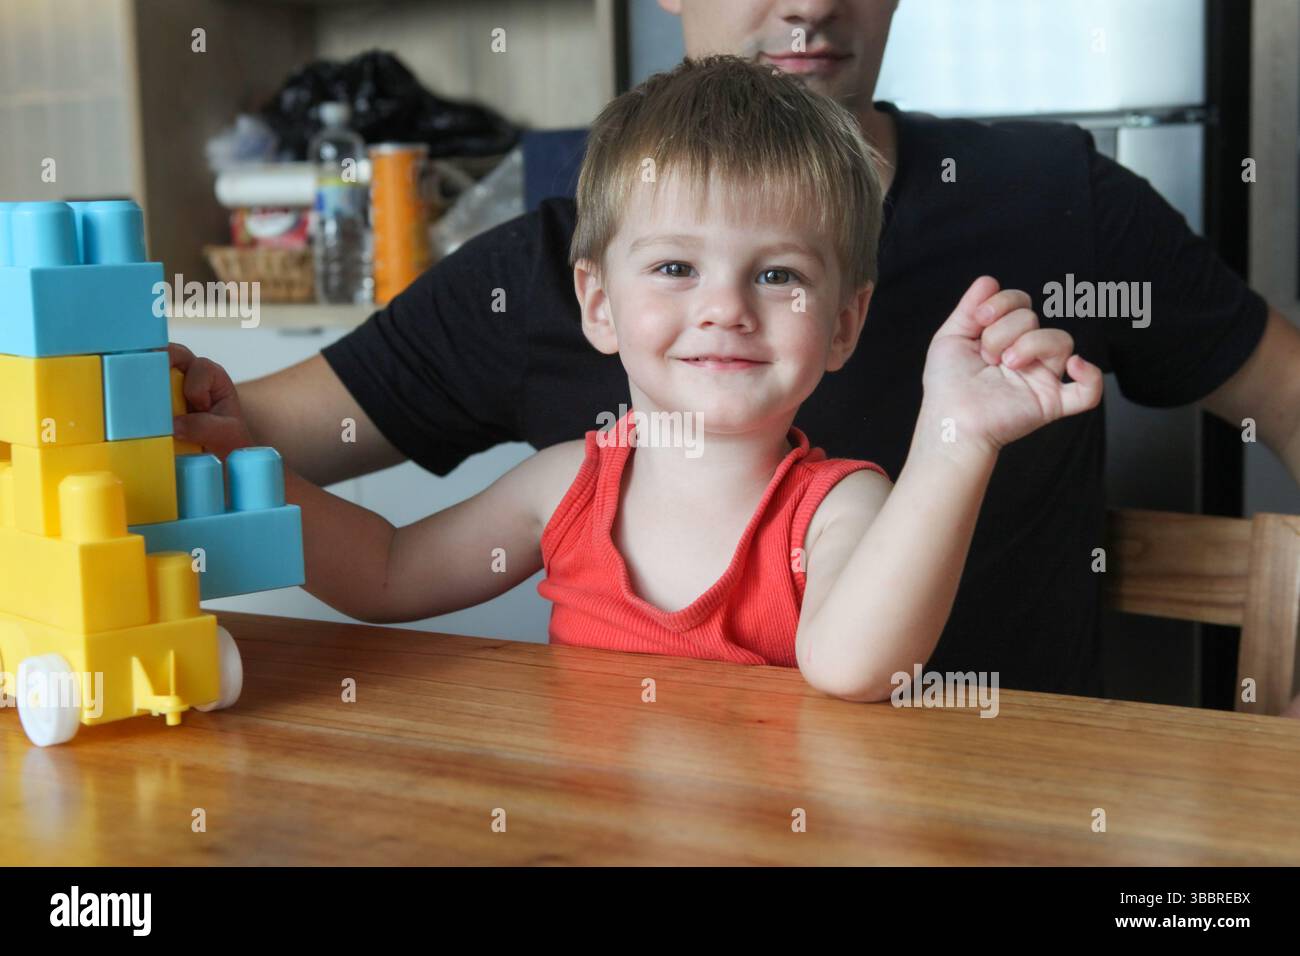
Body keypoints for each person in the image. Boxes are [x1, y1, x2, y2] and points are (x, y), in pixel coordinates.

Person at [173, 0, 1300, 702]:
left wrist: (952, 436)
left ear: (845, 322)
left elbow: (853, 663)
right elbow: (378, 571)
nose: (723, 309)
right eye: (672, 269)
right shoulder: (569, 481)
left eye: (776, 275)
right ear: (594, 304)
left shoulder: (840, 503)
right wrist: (222, 453)